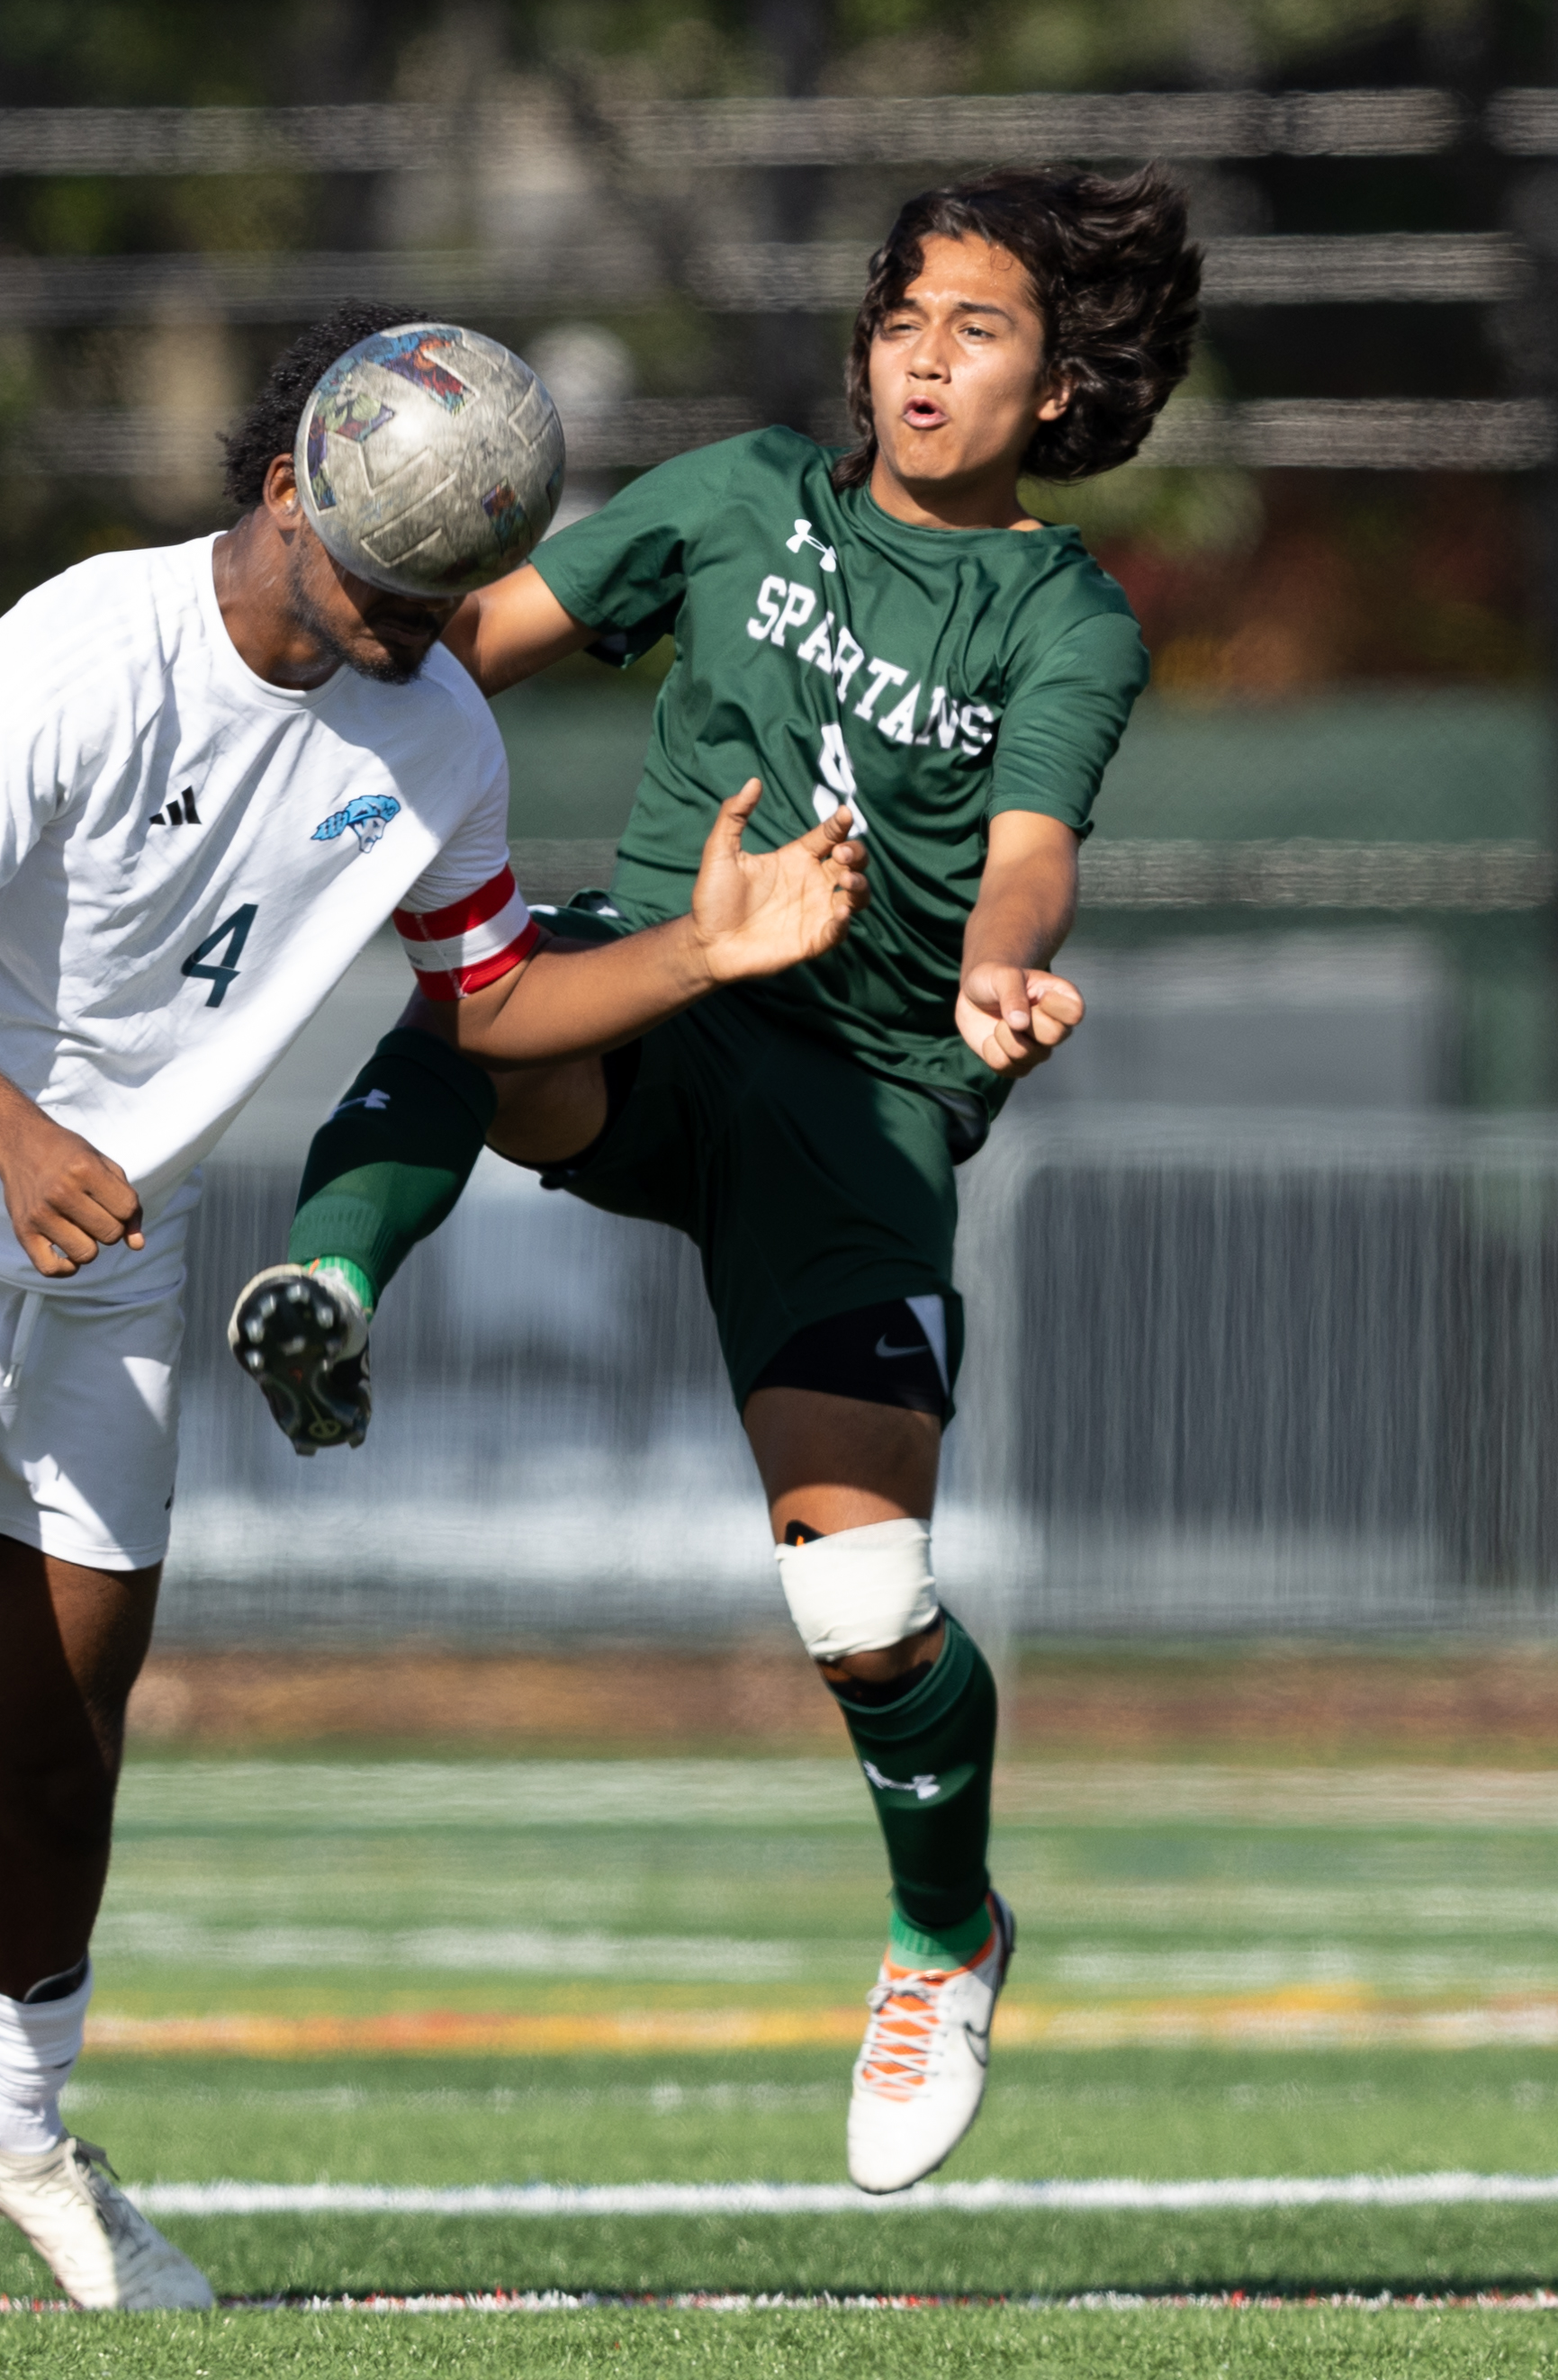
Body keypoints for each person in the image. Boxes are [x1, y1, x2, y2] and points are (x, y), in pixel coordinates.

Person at [0, 301, 869, 2320]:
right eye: (390, 577)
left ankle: (7, 2125)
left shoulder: (441, 730)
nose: (412, 624)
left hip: (99, 1241)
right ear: (290, 483)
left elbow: (482, 1013)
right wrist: (21, 1145)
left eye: (453, 590)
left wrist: (693, 955)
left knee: (54, 1751)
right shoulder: (83, 647)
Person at [228, 168, 1199, 2195]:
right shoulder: (744, 491)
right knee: (498, 1004)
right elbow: (470, 639)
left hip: (860, 1096)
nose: (927, 357)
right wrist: (277, 680)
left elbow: (1026, 848)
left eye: (983, 330)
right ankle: (326, 1279)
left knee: (861, 1599)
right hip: (674, 990)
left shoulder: (1063, 615)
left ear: (1062, 383)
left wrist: (1002, 966)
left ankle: (947, 1931)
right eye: (907, 315)